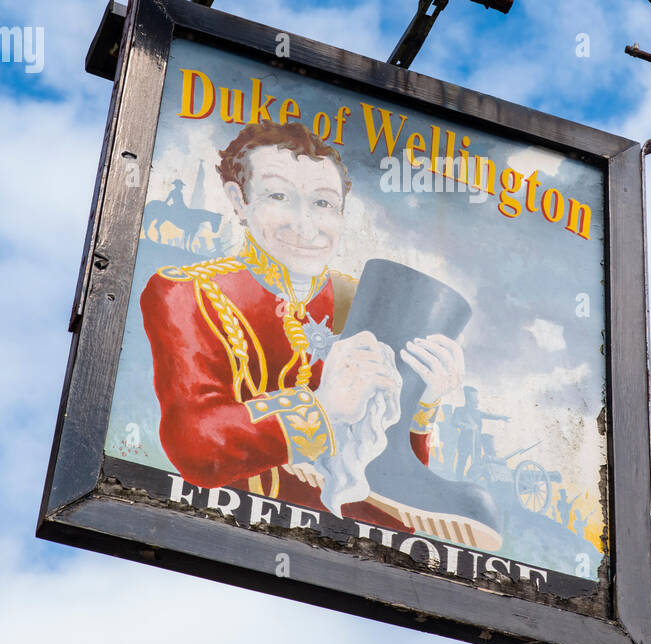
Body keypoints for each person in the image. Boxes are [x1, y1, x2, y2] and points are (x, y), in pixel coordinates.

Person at [140, 121, 465, 535]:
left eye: (324, 203)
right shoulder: (187, 292)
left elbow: (387, 476)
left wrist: (422, 403)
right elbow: (195, 443)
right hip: (222, 527)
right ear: (238, 201)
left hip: (344, 538)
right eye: (278, 196)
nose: (306, 224)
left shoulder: (362, 300)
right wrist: (323, 409)